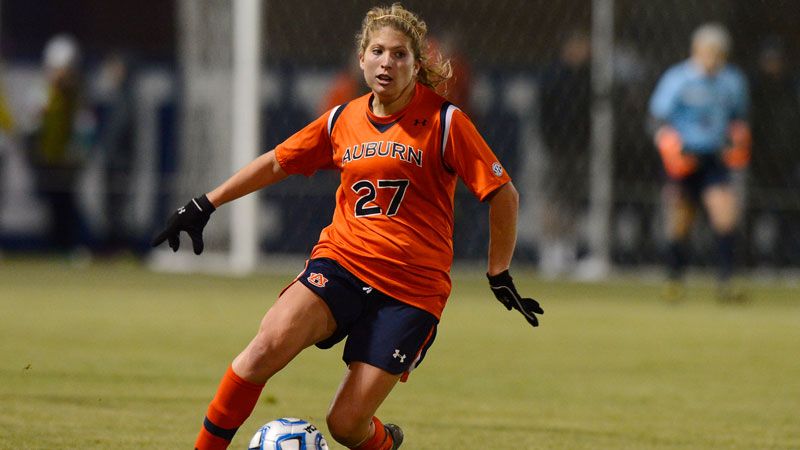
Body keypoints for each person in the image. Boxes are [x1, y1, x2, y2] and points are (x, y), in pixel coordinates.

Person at [152, 4, 543, 450]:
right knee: (264, 348)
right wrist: (207, 202)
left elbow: (503, 194)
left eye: (400, 55)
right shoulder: (343, 119)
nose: (387, 63)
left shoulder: (446, 121)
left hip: (411, 292)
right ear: (361, 58)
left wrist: (499, 271)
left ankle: (385, 443)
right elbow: (278, 161)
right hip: (341, 264)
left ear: (417, 65)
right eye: (378, 51)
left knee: (345, 424)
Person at [648, 23, 750, 301]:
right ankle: (674, 279)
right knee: (680, 219)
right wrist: (667, 144)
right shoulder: (678, 79)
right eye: (708, 52)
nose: (713, 59)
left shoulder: (732, 81)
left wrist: (736, 141)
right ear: (696, 51)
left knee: (725, 215)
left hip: (714, 158)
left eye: (718, 54)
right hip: (683, 159)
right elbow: (657, 118)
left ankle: (727, 281)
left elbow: (737, 120)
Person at [25, 34, 95, 257]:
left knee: (67, 204)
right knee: (54, 205)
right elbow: (31, 128)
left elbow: (85, 127)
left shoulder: (78, 94)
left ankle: (66, 247)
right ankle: (55, 248)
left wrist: (79, 153)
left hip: (68, 161)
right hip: (47, 160)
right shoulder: (42, 93)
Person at [537, 30, 592, 277]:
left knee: (572, 200)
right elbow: (543, 112)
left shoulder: (586, 77)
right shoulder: (553, 75)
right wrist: (550, 141)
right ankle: (550, 251)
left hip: (578, 148)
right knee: (554, 198)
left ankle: (568, 252)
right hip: (555, 147)